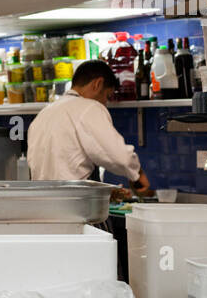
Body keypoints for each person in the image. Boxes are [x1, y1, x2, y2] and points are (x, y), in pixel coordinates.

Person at [26, 59, 152, 197]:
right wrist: (137, 175)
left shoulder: (44, 114)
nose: (105, 103)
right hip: (73, 210)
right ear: (98, 84)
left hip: (40, 206)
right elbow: (119, 157)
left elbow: (62, 168)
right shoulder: (89, 107)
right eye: (107, 96)